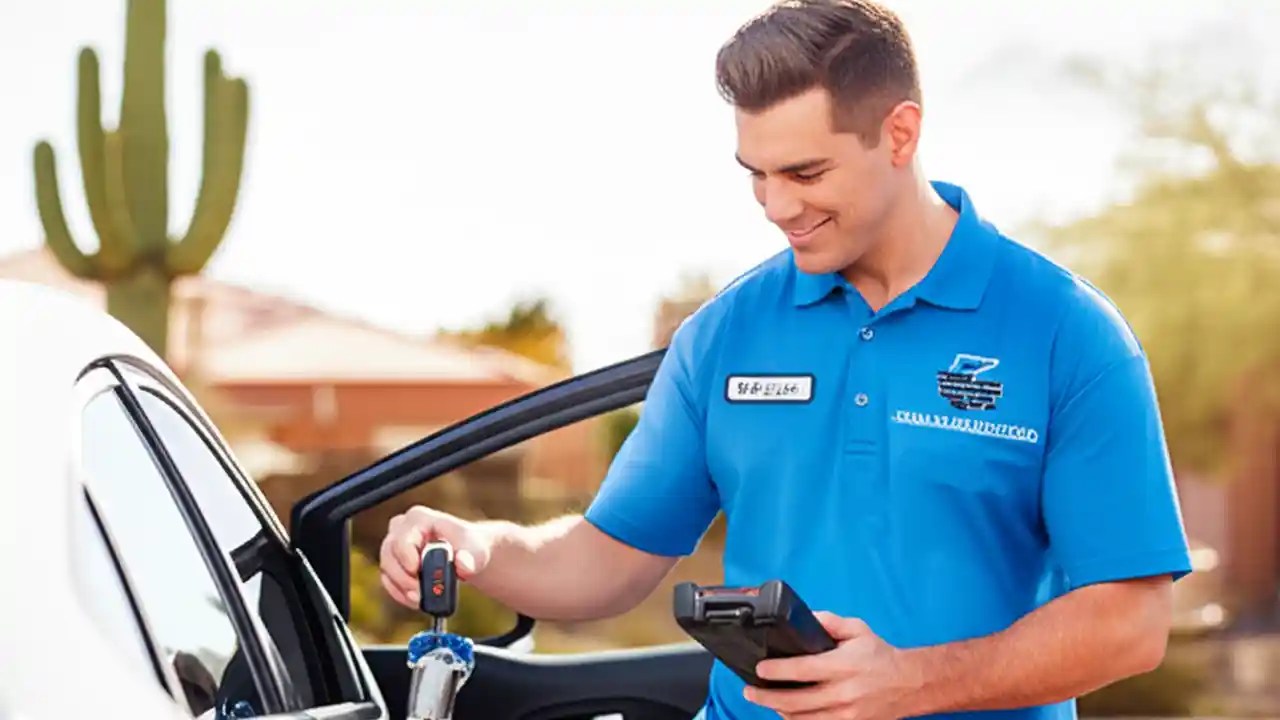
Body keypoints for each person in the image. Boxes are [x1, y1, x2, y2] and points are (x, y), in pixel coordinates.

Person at [380, 1, 1193, 718]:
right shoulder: (724, 334)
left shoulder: (1065, 332)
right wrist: (480, 545)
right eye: (757, 175)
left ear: (900, 133)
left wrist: (911, 683)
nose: (777, 206)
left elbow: (1130, 621)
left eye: (806, 172)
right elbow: (605, 560)